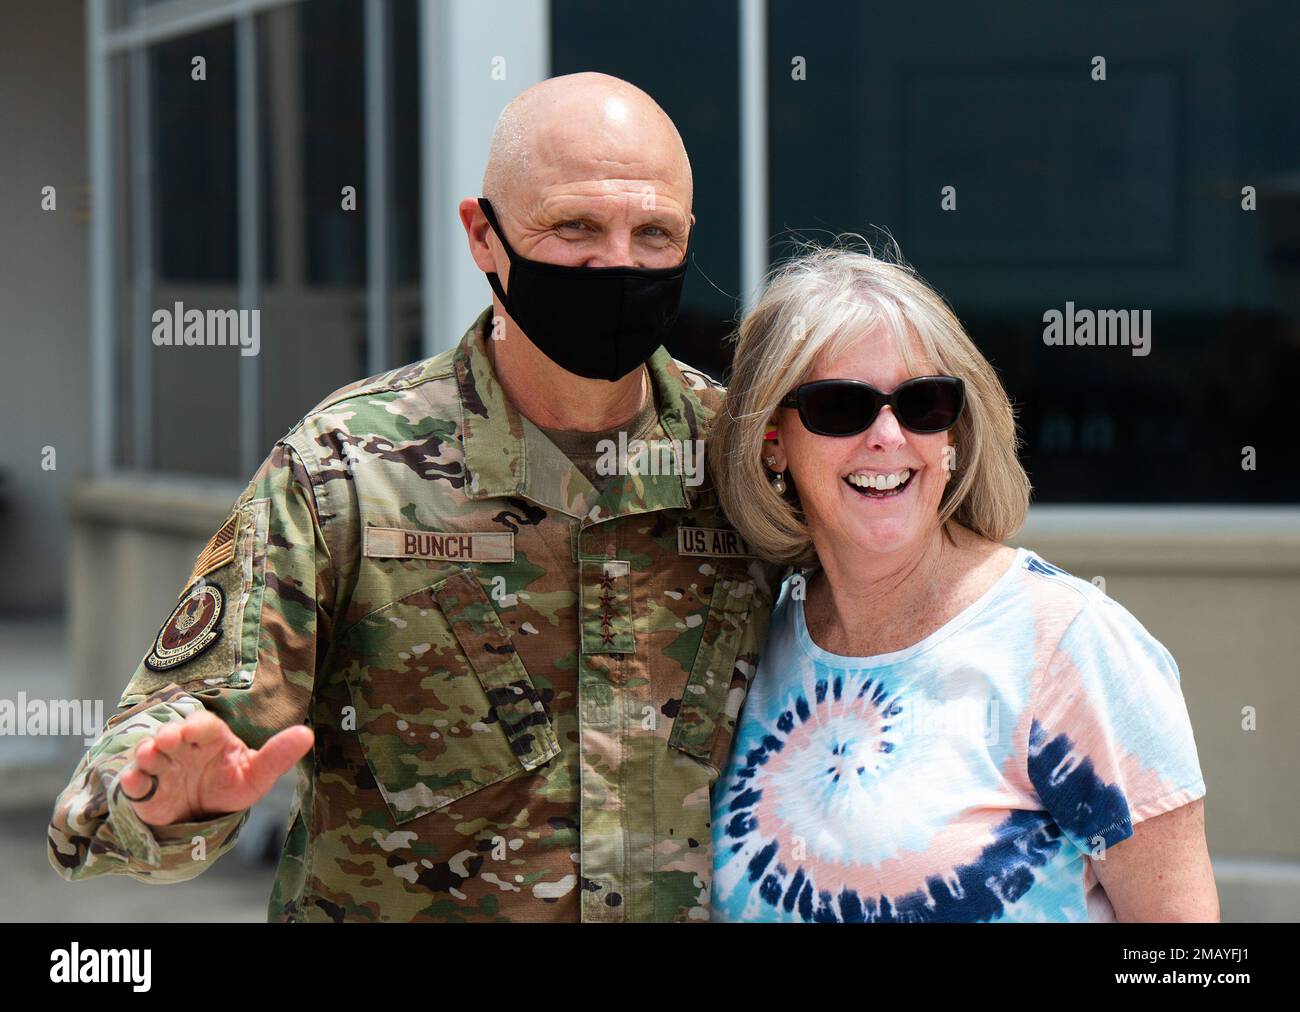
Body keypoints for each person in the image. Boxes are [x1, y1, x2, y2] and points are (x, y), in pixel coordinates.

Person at [47, 72, 780, 923]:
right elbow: (186, 721)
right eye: (575, 225)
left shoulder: (747, 461)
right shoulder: (347, 470)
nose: (616, 263)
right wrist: (163, 796)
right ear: (483, 234)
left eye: (653, 233)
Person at [708, 244, 1218, 922]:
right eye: (840, 407)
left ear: (954, 431)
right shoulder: (752, 635)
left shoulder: (1070, 646)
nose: (888, 436)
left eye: (923, 402)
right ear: (773, 439)